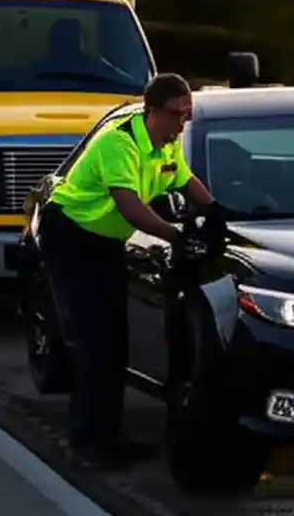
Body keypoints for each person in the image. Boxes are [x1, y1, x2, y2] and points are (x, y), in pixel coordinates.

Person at [38, 72, 223, 469]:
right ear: (152, 109)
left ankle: (109, 435)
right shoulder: (118, 142)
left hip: (102, 241)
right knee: (95, 343)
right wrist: (176, 236)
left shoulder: (165, 144)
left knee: (114, 344)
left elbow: (186, 181)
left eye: (188, 115)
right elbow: (131, 207)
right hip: (71, 236)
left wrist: (217, 213)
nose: (182, 123)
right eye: (177, 114)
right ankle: (88, 441)